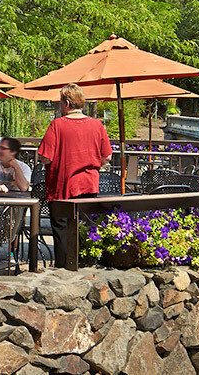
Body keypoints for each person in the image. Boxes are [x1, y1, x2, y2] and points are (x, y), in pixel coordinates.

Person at [37, 84, 114, 265]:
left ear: (67, 103)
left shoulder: (58, 124)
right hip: (89, 185)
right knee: (86, 228)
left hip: (62, 188)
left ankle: (64, 269)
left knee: (62, 230)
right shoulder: (97, 125)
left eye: (60, 101)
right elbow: (107, 156)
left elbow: (45, 157)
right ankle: (85, 265)